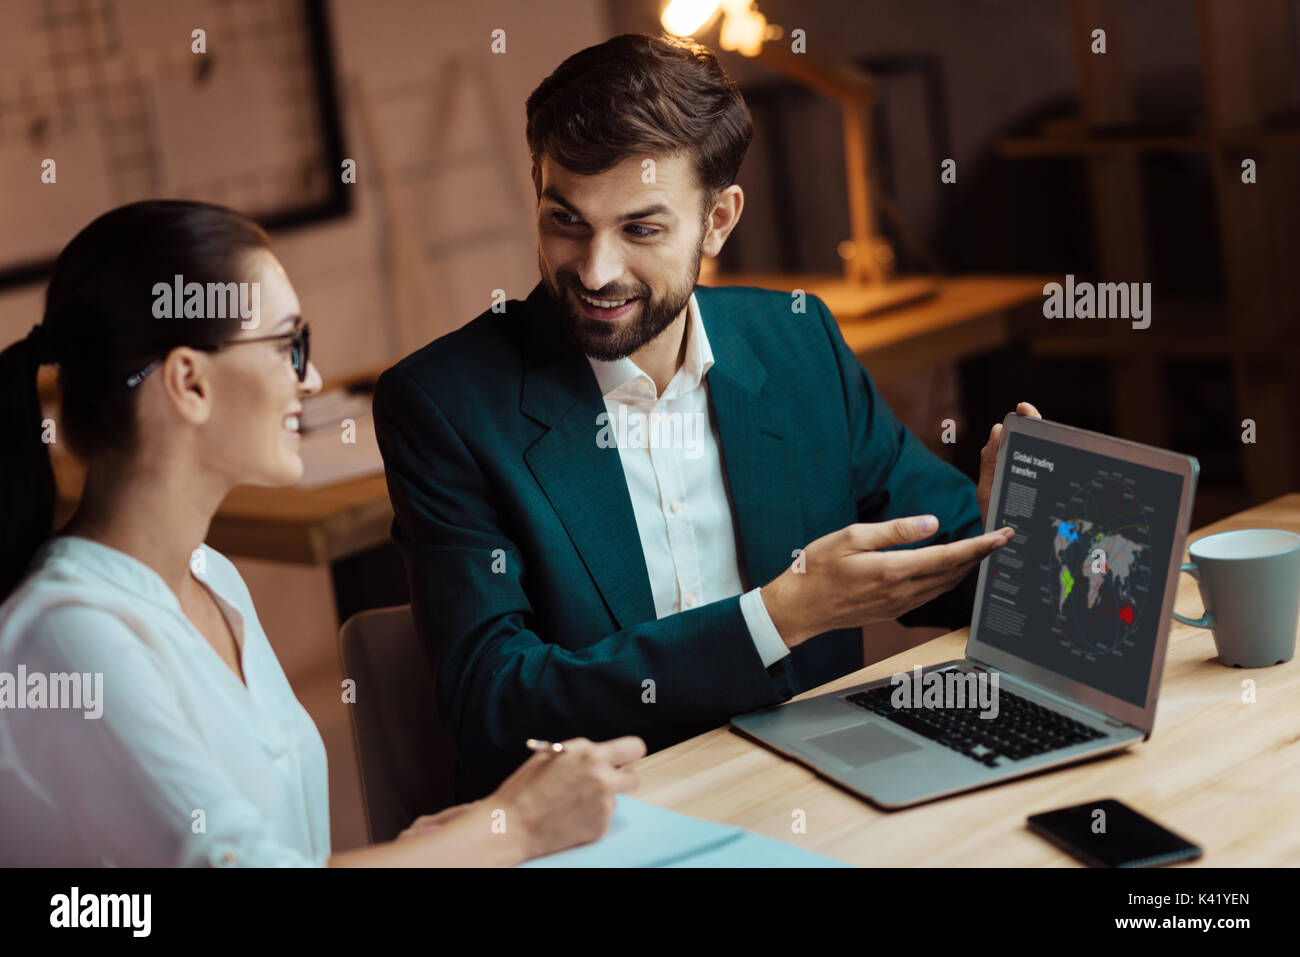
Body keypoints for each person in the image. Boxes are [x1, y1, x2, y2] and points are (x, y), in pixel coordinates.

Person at [372, 33, 1042, 799]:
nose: (596, 270)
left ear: (718, 220)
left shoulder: (796, 342)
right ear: (536, 186)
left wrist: (1010, 537)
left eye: (641, 229)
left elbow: (948, 558)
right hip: (617, 823)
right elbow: (492, 704)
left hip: (834, 796)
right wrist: (775, 617)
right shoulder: (445, 404)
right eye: (566, 220)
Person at [0, 200, 644, 867]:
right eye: (288, 345)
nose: (309, 378)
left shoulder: (210, 575)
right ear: (189, 382)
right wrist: (518, 824)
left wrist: (458, 839)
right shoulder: (65, 631)